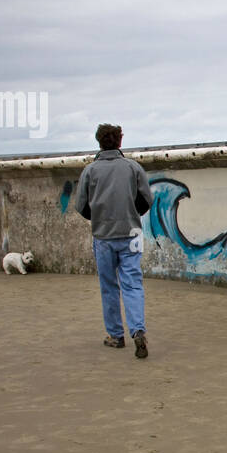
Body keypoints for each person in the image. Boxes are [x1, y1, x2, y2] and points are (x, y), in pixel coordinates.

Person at [74, 124, 153, 358]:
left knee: (109, 286)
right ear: (120, 141)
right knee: (133, 284)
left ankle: (116, 335)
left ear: (99, 142)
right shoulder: (132, 168)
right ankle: (137, 330)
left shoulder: (90, 171)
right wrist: (131, 214)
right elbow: (146, 199)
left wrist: (98, 219)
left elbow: (81, 206)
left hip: (103, 236)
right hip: (131, 234)